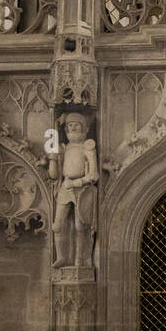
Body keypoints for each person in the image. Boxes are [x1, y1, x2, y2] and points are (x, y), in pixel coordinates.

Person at [49, 113, 99, 268]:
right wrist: (52, 158)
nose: (72, 127)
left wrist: (76, 183)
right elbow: (53, 175)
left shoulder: (88, 147)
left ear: (85, 128)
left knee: (80, 226)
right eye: (69, 125)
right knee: (57, 226)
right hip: (65, 187)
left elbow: (94, 175)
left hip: (81, 189)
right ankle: (62, 257)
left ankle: (79, 259)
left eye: (76, 124)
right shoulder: (65, 148)